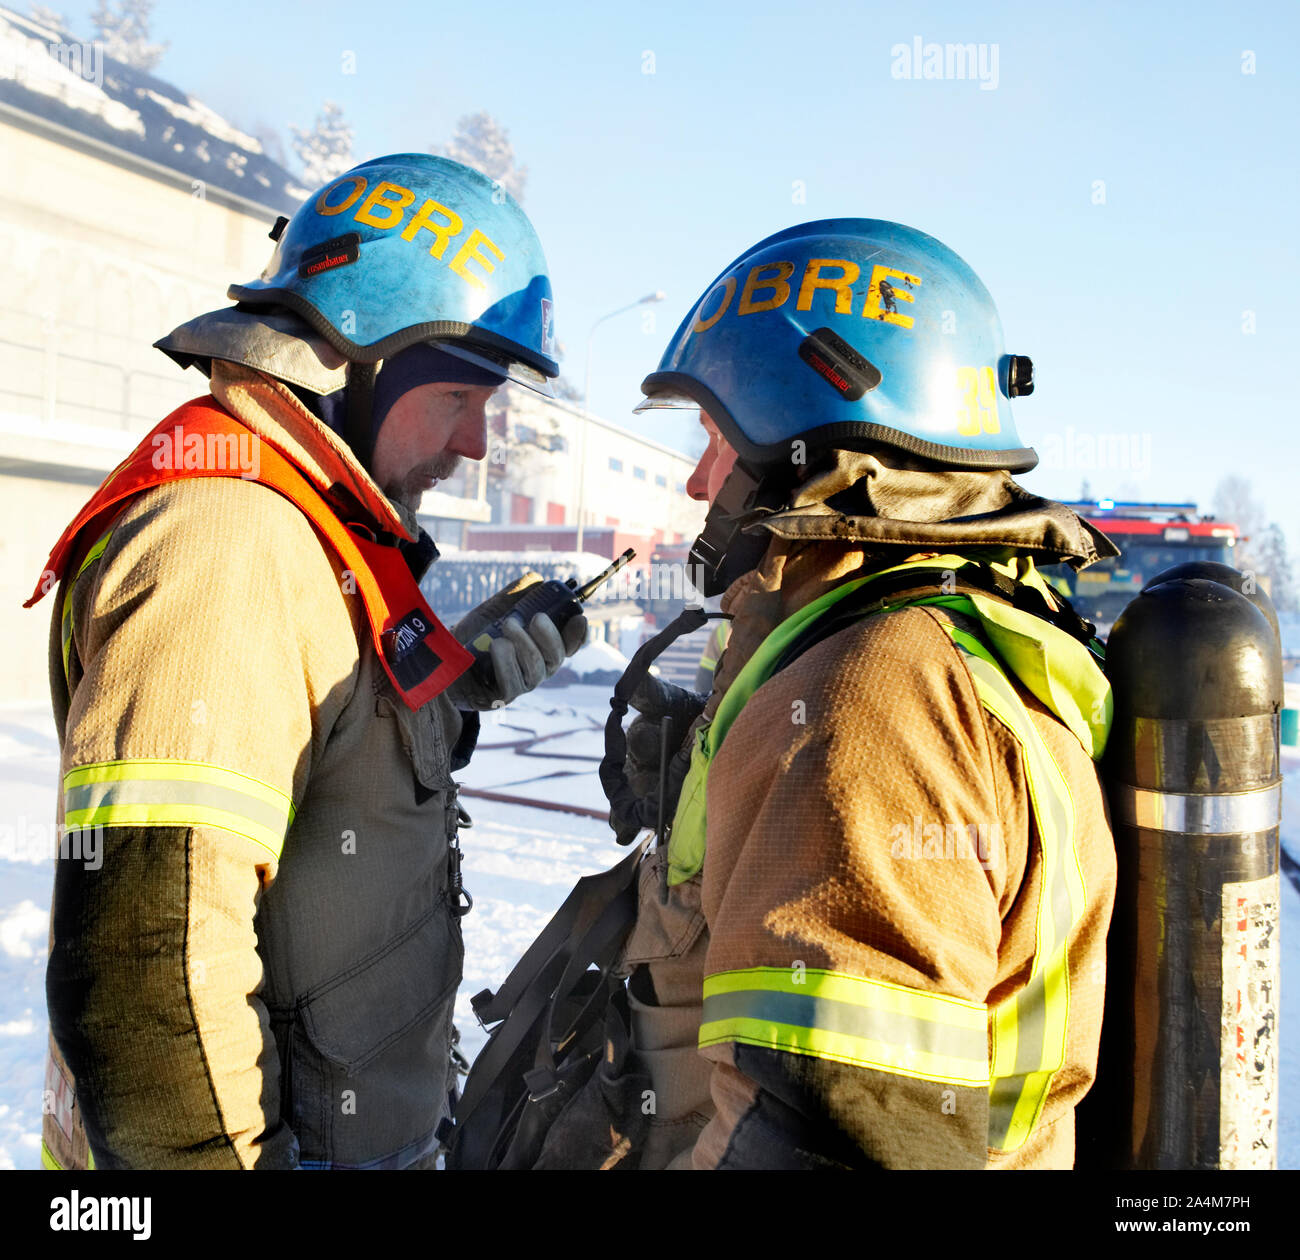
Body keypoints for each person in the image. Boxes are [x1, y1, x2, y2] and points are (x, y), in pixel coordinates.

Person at [28, 153, 585, 1170]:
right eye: (462, 396)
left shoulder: (310, 531)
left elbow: (320, 775)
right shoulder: (228, 539)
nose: (476, 444)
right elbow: (150, 962)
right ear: (359, 360)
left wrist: (453, 697)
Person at [613, 217, 1121, 1168]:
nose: (694, 482)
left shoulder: (874, 700)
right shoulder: (931, 646)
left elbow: (833, 1136)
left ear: (815, 435)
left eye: (715, 440)